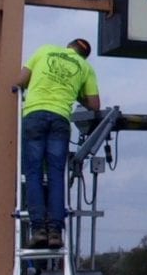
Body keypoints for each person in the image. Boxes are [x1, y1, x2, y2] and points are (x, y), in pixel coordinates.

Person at [15, 38, 101, 250]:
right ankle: (55, 231)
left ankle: (38, 230)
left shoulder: (44, 50)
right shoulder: (85, 67)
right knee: (56, 176)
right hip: (60, 119)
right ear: (83, 55)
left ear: (68, 46)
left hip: (34, 115)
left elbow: (20, 80)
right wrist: (76, 93)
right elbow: (94, 104)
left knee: (33, 173)